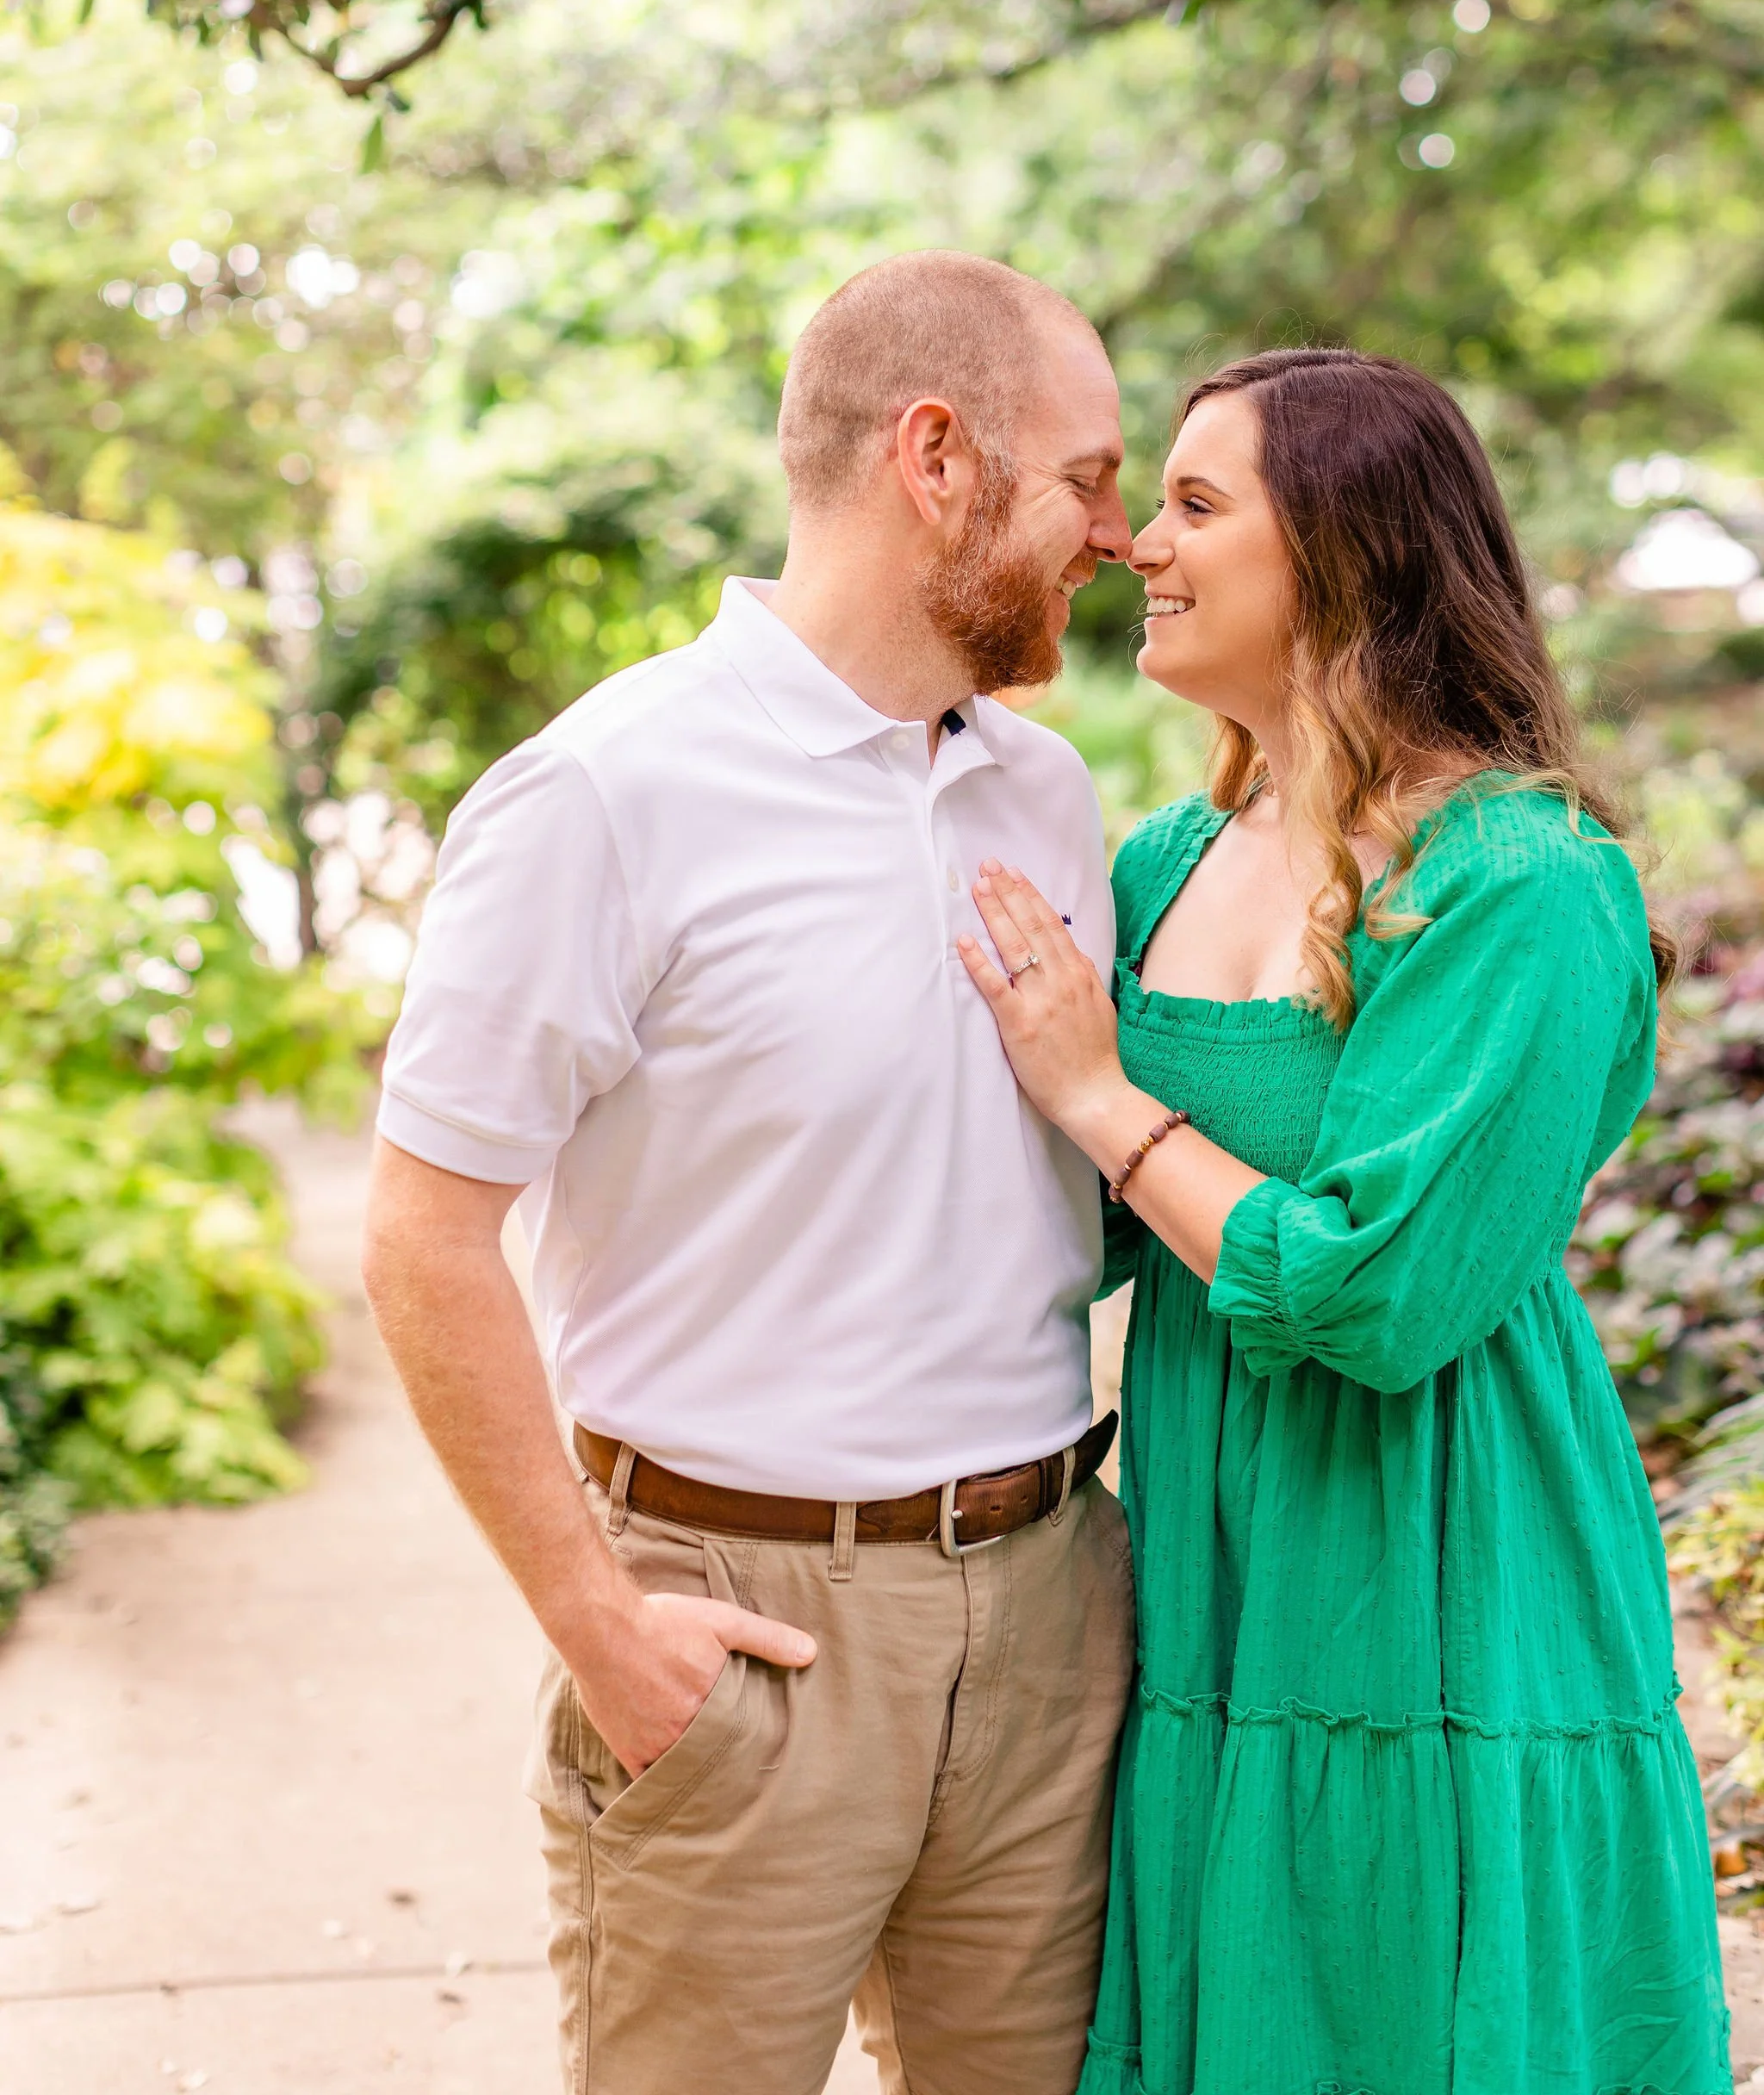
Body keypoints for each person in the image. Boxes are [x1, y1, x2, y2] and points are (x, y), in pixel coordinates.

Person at [360, 249, 1139, 2095]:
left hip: (1044, 1622)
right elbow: (422, 1234)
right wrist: (599, 1631)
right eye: (1087, 477)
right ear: (935, 457)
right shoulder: (607, 794)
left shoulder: (1047, 793)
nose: (1114, 533)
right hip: (735, 1633)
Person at [957, 348, 1730, 2095]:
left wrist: (1098, 1094)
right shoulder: (1162, 859)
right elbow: (1064, 1233)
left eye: (1194, 505)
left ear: (1351, 551)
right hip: (1209, 1586)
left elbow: (1373, 1296)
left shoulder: (1518, 884)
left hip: (1437, 1571)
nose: (1133, 544)